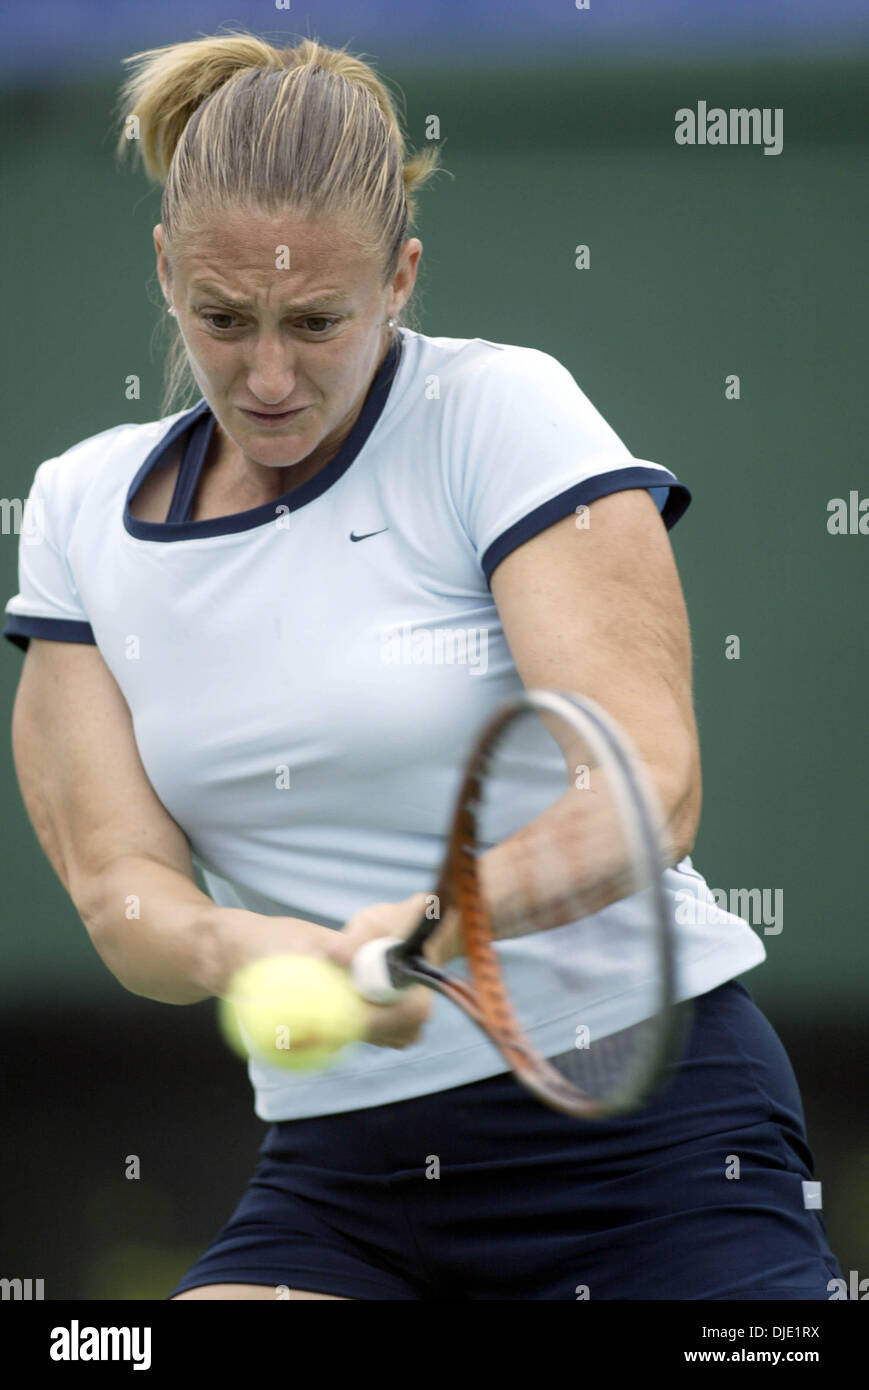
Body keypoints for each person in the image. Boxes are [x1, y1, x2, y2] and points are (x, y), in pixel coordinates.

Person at [5, 32, 843, 1301]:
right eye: (223, 320)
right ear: (165, 268)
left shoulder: (502, 414)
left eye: (317, 322)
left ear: (400, 277)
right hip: (345, 1178)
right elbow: (119, 887)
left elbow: (644, 788)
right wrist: (257, 953)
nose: (268, 375)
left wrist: (430, 923)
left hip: (659, 1146)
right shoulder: (76, 508)